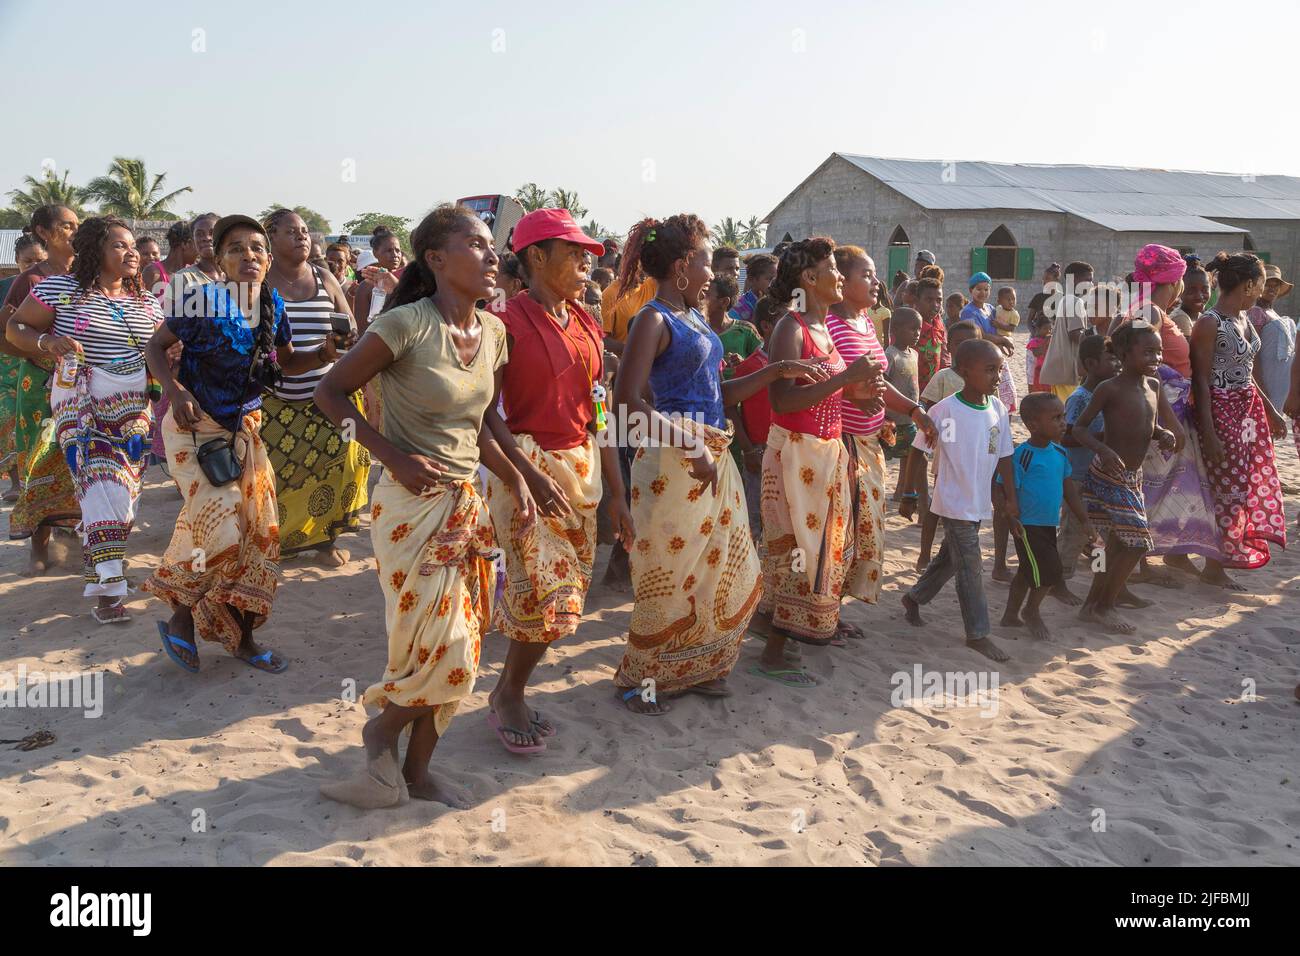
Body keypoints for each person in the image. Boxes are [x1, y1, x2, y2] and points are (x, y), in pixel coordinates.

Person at [315, 204, 531, 807]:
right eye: (477, 244)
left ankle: (414, 772)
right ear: (436, 259)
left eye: (494, 247)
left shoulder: (493, 332)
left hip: (467, 506)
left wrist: (518, 482)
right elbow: (328, 392)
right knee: (442, 649)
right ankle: (379, 731)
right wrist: (392, 457)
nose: (493, 257)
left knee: (460, 642)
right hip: (409, 509)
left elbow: (484, 424)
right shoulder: (404, 325)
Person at [612, 214, 815, 710]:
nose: (714, 268)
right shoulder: (653, 319)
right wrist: (689, 443)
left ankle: (696, 665)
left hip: (710, 453)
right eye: (706, 258)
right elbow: (627, 399)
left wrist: (776, 371)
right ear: (683, 265)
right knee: (671, 569)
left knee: (714, 566)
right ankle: (647, 680)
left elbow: (717, 396)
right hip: (671, 462)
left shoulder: (696, 319)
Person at [144, 214, 327, 672]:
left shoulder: (274, 305)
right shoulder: (199, 300)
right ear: (220, 260)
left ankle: (242, 637)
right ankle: (182, 617)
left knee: (258, 536)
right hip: (194, 430)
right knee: (221, 523)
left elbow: (285, 364)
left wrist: (324, 355)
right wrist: (176, 391)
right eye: (236, 249)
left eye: (257, 249)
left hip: (245, 433)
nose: (249, 256)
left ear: (268, 259)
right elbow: (153, 348)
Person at [480, 208, 634, 753]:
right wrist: (525, 474)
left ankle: (506, 689)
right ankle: (509, 695)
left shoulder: (586, 322)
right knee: (544, 594)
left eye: (588, 255)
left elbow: (600, 409)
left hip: (581, 473)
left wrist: (617, 492)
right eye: (573, 254)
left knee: (562, 599)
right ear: (537, 258)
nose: (586, 264)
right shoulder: (503, 321)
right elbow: (484, 413)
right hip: (526, 471)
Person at [6, 217, 162, 622]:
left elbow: (162, 348)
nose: (131, 253)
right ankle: (109, 592)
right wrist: (46, 341)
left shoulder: (145, 301)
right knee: (100, 490)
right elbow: (14, 328)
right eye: (119, 246)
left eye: (133, 246)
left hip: (135, 412)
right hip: (82, 405)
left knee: (124, 498)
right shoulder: (60, 288)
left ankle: (104, 560)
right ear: (95, 250)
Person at [750, 237, 885, 685]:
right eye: (833, 269)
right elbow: (783, 400)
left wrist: (858, 393)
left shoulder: (823, 327)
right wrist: (847, 378)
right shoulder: (791, 328)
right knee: (795, 552)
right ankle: (773, 653)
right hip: (793, 455)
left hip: (825, 453)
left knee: (818, 551)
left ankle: (777, 634)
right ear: (810, 279)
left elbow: (826, 391)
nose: (841, 277)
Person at [262, 208, 370, 565]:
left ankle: (325, 540)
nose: (302, 237)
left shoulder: (325, 277)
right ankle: (280, 541)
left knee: (343, 464)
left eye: (305, 231)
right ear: (271, 239)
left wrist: (347, 336)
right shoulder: (259, 284)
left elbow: (349, 321)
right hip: (277, 402)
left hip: (328, 396)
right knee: (279, 476)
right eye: (291, 232)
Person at [901, 338, 1017, 662]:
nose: (997, 377)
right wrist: (910, 494)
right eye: (990, 370)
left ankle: (914, 598)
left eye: (1000, 370)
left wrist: (1010, 497)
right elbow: (917, 451)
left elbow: (1005, 455)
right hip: (953, 501)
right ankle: (978, 633)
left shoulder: (997, 409)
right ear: (964, 370)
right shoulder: (945, 410)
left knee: (951, 559)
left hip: (979, 500)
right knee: (970, 566)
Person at [827, 246, 929, 609]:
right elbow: (818, 385)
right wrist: (851, 396)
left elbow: (880, 382)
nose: (874, 282)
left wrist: (914, 410)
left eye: (873, 275)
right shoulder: (827, 324)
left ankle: (835, 612)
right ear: (841, 279)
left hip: (871, 444)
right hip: (841, 444)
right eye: (865, 275)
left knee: (864, 530)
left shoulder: (867, 321)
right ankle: (824, 612)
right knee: (841, 532)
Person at [1072, 323, 1182, 633]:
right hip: (1108, 475)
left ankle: (1093, 605)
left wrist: (1163, 434)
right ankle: (1103, 605)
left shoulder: (1153, 386)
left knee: (1120, 544)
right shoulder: (1110, 388)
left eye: (1158, 351)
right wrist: (1103, 450)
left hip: (1132, 476)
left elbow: (1149, 424)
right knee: (1135, 543)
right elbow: (1078, 429)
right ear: (1124, 353)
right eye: (1148, 351)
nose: (1155, 357)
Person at [1191, 252, 1287, 583]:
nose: (1262, 290)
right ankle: (1214, 565)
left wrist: (1271, 410)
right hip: (1221, 410)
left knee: (1243, 483)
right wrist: (1211, 430)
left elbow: (1246, 373)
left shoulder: (1245, 320)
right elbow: (1201, 380)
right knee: (1226, 487)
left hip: (1247, 411)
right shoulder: (1210, 322)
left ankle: (1221, 558)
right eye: (1260, 284)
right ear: (1248, 284)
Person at [1, 204, 82, 573]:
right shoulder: (30, 281)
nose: (74, 231)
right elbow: (6, 333)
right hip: (40, 384)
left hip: (81, 382)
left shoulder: (86, 275)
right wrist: (43, 351)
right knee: (39, 457)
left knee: (80, 457)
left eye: (77, 225)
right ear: (44, 232)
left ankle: (79, 533)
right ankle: (38, 546)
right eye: (66, 226)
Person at [995, 392, 1094, 640]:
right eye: (1056, 418)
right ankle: (1031, 611)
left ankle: (1010, 615)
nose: (1064, 423)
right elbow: (1003, 487)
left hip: (1048, 523)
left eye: (1063, 417)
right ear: (1033, 425)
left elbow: (1068, 488)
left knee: (1027, 572)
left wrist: (1084, 519)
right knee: (1050, 571)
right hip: (1027, 525)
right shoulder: (1023, 455)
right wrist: (1010, 517)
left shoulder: (1060, 453)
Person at [1059, 335, 1118, 589]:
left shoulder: (1110, 394)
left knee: (1101, 536)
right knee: (1073, 533)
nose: (1117, 364)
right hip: (1078, 478)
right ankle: (1060, 581)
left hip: (1101, 478)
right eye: (1111, 358)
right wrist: (1103, 439)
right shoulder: (1080, 398)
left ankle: (1098, 580)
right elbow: (1067, 436)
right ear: (1092, 364)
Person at [728, 295, 784, 544]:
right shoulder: (751, 367)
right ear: (766, 326)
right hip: (760, 452)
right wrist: (749, 451)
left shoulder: (797, 363)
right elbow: (731, 408)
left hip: (787, 450)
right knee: (755, 517)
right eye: (784, 320)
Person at [0, 233, 48, 500]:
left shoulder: (53, 285)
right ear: (16, 261)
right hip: (8, 364)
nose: (32, 266)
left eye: (38, 260)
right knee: (9, 418)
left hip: (42, 363)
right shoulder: (7, 287)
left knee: (43, 424)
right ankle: (17, 483)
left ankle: (44, 481)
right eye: (26, 261)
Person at [1040, 261, 1095, 402]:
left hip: (1060, 368)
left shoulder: (1066, 300)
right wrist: (1096, 337)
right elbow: (1075, 334)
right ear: (1074, 280)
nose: (1091, 284)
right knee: (1069, 414)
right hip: (1068, 370)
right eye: (1088, 280)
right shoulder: (1075, 302)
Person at [883, 308, 922, 493]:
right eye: (912, 329)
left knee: (909, 454)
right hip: (891, 420)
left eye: (919, 329)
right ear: (896, 330)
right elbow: (883, 385)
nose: (917, 333)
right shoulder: (890, 355)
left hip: (910, 417)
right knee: (885, 454)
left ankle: (901, 488)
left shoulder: (914, 354)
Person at [1248, 264, 1295, 412]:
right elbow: (1253, 355)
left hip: (1280, 383)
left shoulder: (1273, 313)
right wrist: (1262, 393)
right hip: (1267, 382)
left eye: (1276, 285)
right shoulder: (1256, 312)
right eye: (1268, 284)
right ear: (1259, 286)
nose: (1272, 288)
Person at [350, 226, 405, 333]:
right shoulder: (366, 286)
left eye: (397, 250)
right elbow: (362, 328)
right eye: (388, 251)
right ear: (375, 253)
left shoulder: (409, 280)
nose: (395, 255)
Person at [705, 274, 761, 366]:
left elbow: (764, 362)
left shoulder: (746, 330)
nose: (701, 297)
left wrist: (744, 363)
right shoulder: (696, 331)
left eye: (707, 294)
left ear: (724, 302)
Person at [141, 221, 196, 296]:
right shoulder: (153, 273)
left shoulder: (193, 274)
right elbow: (143, 305)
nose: (200, 251)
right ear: (185, 244)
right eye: (197, 244)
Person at [914, 276, 948, 393]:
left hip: (934, 391)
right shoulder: (910, 325)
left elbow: (944, 355)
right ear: (917, 300)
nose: (935, 305)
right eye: (929, 300)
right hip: (913, 390)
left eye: (939, 300)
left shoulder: (939, 324)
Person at [730, 253, 777, 326]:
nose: (775, 283)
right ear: (752, 279)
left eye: (777, 278)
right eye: (770, 279)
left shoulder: (778, 303)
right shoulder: (739, 308)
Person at [1168, 263, 1209, 335]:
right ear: (1180, 291)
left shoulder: (1200, 316)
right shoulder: (1181, 318)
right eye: (1191, 291)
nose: (1199, 296)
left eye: (1204, 289)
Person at [1026, 314, 1052, 393]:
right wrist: (1046, 342)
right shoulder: (1034, 341)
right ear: (1037, 328)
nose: (1048, 331)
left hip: (1045, 371)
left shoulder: (1049, 341)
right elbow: (1037, 353)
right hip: (1034, 372)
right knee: (1035, 392)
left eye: (1050, 329)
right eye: (1045, 329)